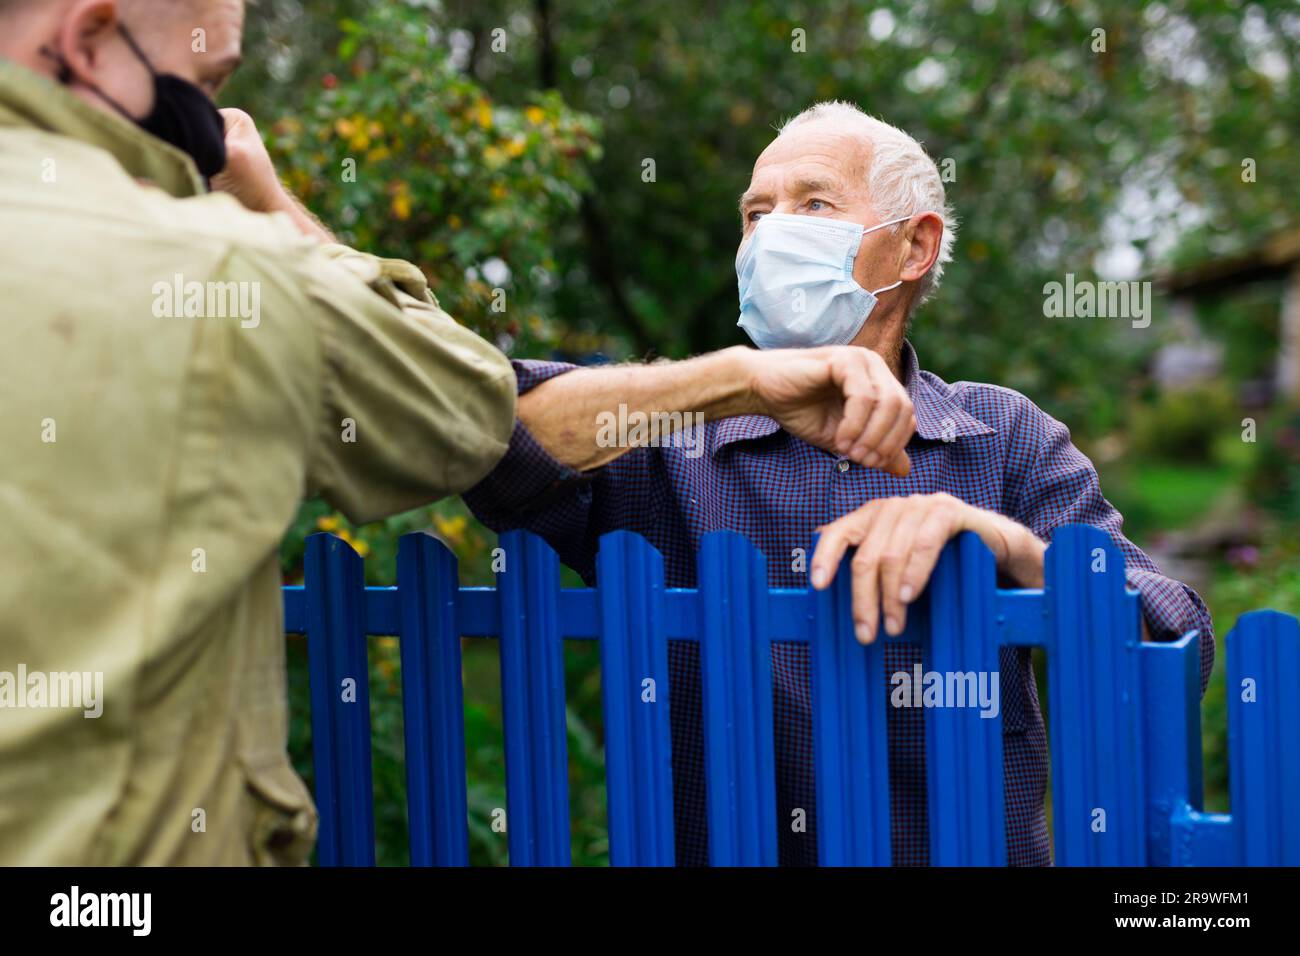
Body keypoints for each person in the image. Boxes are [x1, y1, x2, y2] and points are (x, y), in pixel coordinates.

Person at [462, 101, 1216, 866]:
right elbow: (481, 431)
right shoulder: (668, 444)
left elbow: (1172, 638)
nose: (771, 233)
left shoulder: (1007, 437)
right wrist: (739, 380)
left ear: (914, 245)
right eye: (756, 213)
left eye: (813, 203)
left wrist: (1001, 543)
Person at [0, 0, 520, 864]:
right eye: (205, 88)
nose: (207, 129)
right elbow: (464, 405)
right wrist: (267, 204)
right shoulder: (219, 272)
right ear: (89, 44)